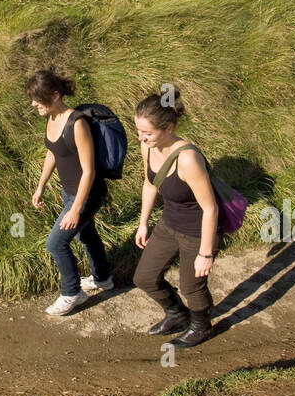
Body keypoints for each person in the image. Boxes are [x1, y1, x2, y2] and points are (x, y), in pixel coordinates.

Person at [132, 91, 222, 346]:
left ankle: (202, 326)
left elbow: (210, 208)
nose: (141, 137)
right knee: (144, 278)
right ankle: (176, 313)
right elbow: (150, 184)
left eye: (147, 132)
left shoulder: (188, 159)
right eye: (138, 131)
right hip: (168, 224)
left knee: (192, 287)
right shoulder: (147, 147)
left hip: (197, 231)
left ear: (168, 128)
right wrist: (143, 222)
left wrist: (205, 252)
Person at [25, 70, 115, 315]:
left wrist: (76, 209)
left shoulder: (77, 123)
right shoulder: (51, 117)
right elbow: (52, 151)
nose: (33, 104)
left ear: (55, 95)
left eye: (38, 98)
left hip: (86, 195)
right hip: (69, 193)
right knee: (85, 236)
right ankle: (103, 278)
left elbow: (89, 171)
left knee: (55, 244)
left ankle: (72, 292)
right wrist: (41, 185)